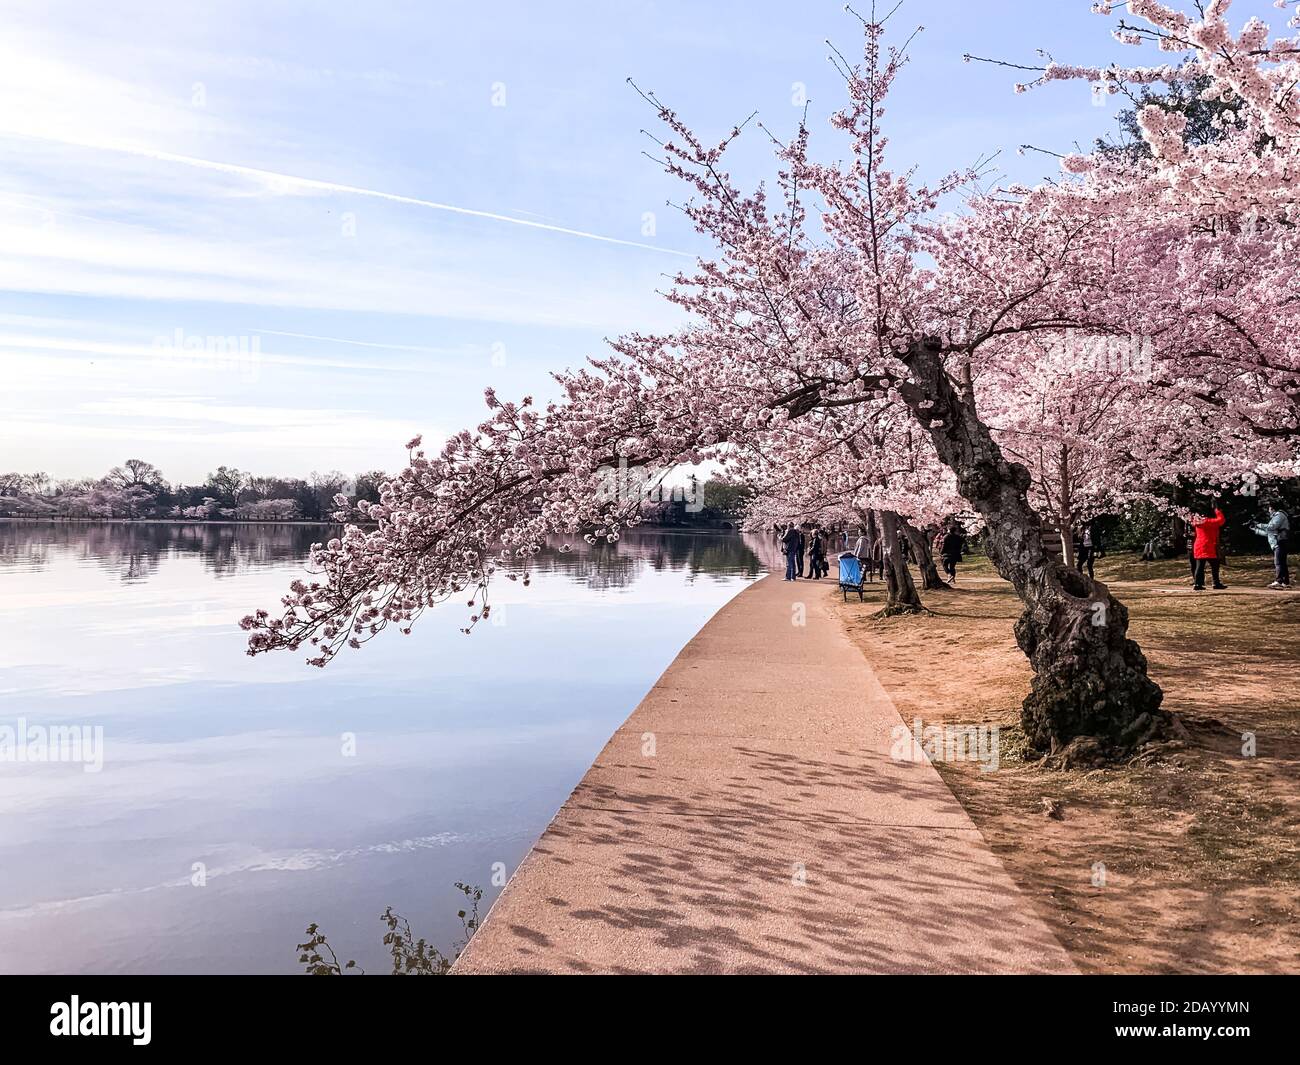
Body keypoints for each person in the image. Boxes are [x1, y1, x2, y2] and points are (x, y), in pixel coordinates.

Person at [1251, 502, 1291, 590]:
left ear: (1273, 508)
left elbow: (1271, 527)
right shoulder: (1276, 516)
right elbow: (1269, 533)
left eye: (1269, 508)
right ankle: (1285, 582)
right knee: (1282, 562)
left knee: (1278, 562)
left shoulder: (1279, 515)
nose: (1268, 511)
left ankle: (1279, 581)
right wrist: (1256, 530)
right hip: (1278, 541)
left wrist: (1258, 524)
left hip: (1279, 541)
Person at [1191, 506, 1228, 591]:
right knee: (1215, 565)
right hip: (1209, 545)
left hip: (1199, 545)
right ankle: (1216, 582)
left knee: (1200, 566)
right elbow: (1221, 520)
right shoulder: (1209, 521)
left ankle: (1197, 583)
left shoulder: (1197, 521)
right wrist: (1217, 510)